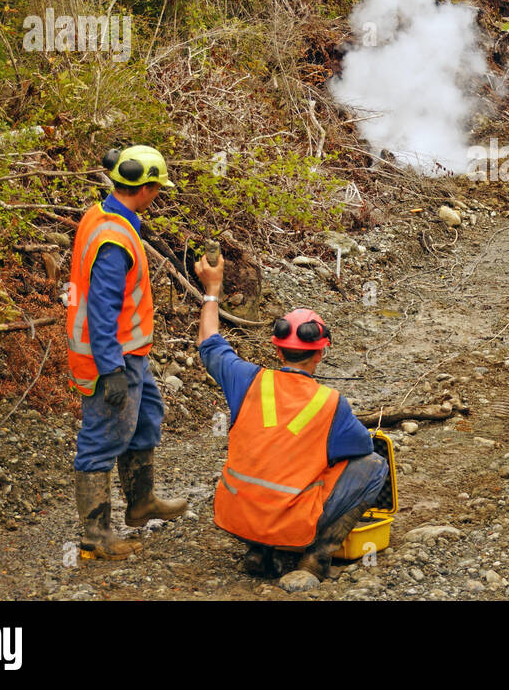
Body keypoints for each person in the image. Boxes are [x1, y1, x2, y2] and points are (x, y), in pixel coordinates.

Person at [194, 254, 389, 583]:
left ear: (277, 350)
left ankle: (259, 551)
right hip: (289, 522)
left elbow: (208, 342)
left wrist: (212, 288)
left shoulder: (245, 379)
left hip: (236, 517)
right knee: (374, 464)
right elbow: (360, 450)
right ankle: (316, 557)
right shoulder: (330, 404)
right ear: (320, 354)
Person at [66, 145, 188, 560]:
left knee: (146, 417)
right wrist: (112, 369)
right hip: (111, 357)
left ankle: (141, 502)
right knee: (101, 440)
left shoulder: (106, 217)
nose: (159, 194)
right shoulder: (115, 239)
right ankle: (96, 535)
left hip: (129, 352)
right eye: (158, 188)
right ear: (148, 187)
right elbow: (103, 308)